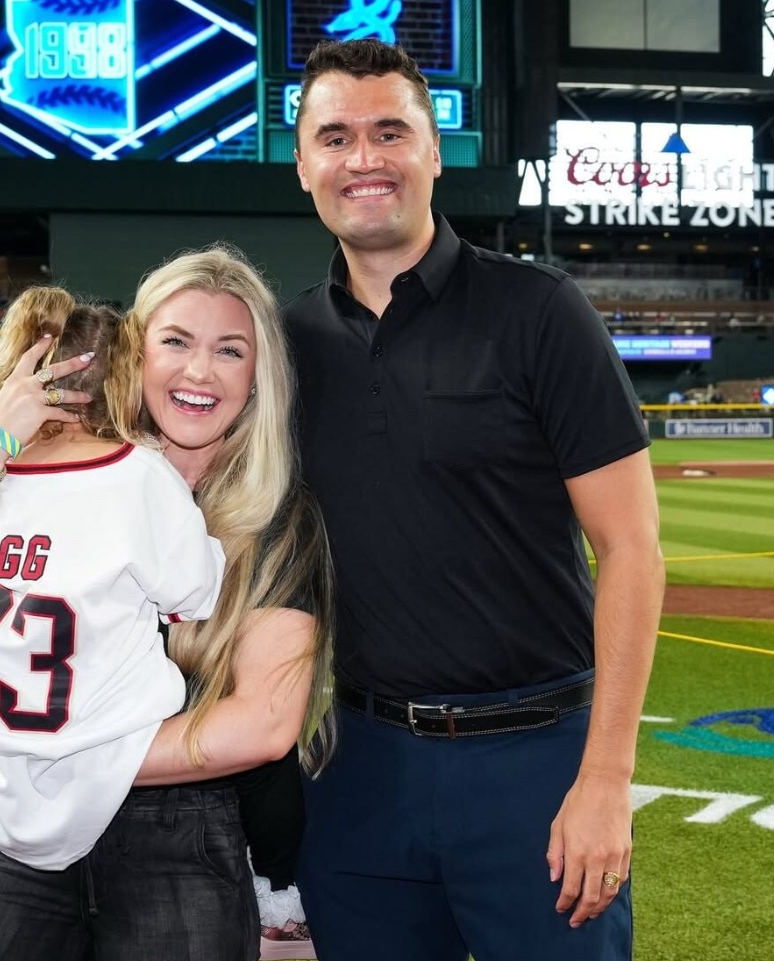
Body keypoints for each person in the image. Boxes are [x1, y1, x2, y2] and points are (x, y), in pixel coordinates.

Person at [284, 39, 665, 961]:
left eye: (390, 132)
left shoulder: (537, 309)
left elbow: (630, 548)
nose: (363, 158)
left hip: (536, 760)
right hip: (359, 764)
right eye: (334, 136)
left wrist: (605, 778)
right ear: (302, 166)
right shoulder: (283, 338)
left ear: (433, 151)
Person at [0, 248, 333, 961]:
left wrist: (46, 750)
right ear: (131, 355)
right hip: (16, 847)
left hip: (180, 834)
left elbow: (263, 726)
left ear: (258, 378)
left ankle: (277, 903)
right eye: (175, 341)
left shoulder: (277, 516)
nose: (199, 370)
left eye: (229, 350)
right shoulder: (35, 481)